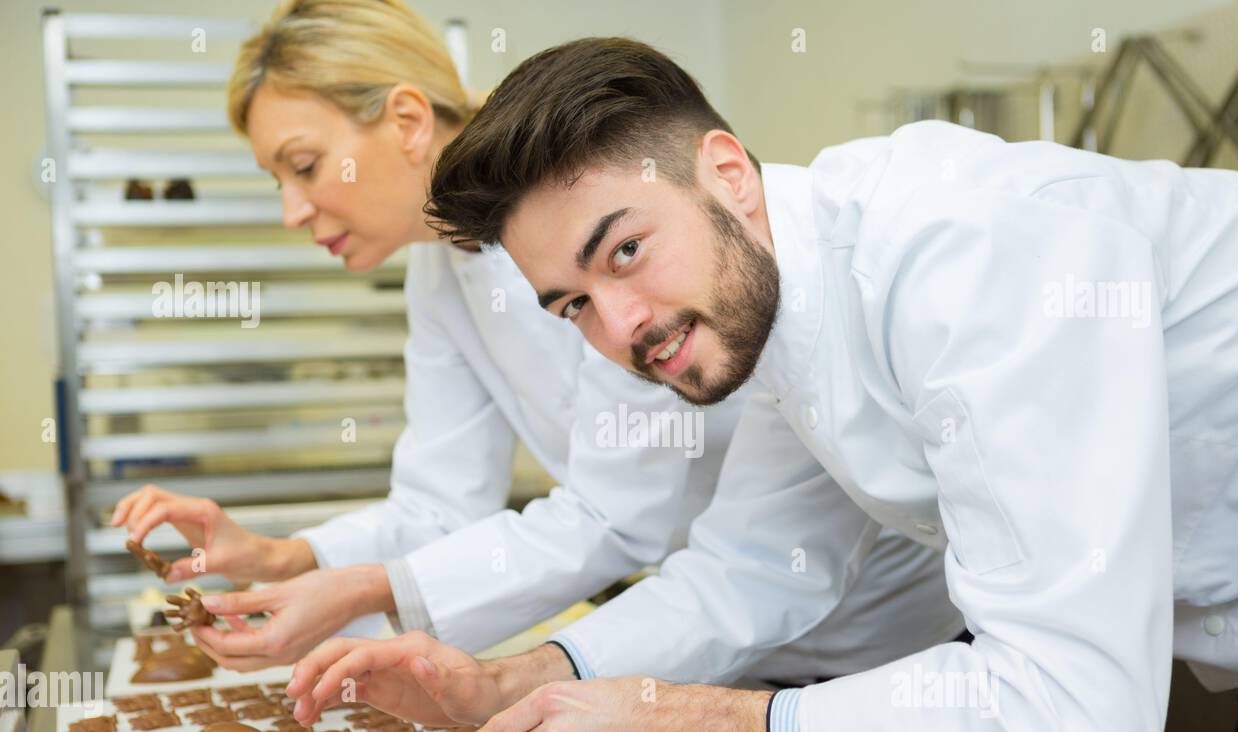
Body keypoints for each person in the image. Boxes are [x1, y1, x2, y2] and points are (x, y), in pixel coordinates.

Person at [295, 36, 1238, 732]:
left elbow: (1074, 719)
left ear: (725, 172)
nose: (619, 328)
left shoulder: (969, 256)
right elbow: (748, 567)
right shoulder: (782, 312)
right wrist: (514, 682)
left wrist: (696, 724)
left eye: (626, 251)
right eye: (573, 304)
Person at [112, 2, 963, 690]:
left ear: (407, 119)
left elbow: (615, 517)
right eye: (276, 181)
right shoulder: (438, 273)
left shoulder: (586, 217)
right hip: (695, 626)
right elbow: (442, 505)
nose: (294, 210)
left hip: (863, 631)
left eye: (304, 165)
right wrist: (289, 557)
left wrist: (371, 591)